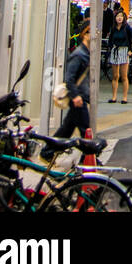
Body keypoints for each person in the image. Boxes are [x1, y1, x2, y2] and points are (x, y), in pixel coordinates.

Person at [42, 22, 91, 161]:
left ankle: (47, 151)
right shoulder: (79, 54)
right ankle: (89, 157)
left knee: (67, 129)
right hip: (77, 98)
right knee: (85, 130)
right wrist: (75, 96)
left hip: (80, 97)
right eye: (91, 32)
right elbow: (69, 78)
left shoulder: (86, 53)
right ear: (84, 34)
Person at [107, 8, 132, 104]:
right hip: (115, 50)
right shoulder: (113, 28)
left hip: (124, 51)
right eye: (117, 16)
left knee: (124, 76)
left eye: (121, 16)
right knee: (115, 75)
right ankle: (114, 97)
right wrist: (111, 48)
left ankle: (124, 97)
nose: (119, 18)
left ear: (124, 18)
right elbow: (110, 40)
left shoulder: (127, 28)